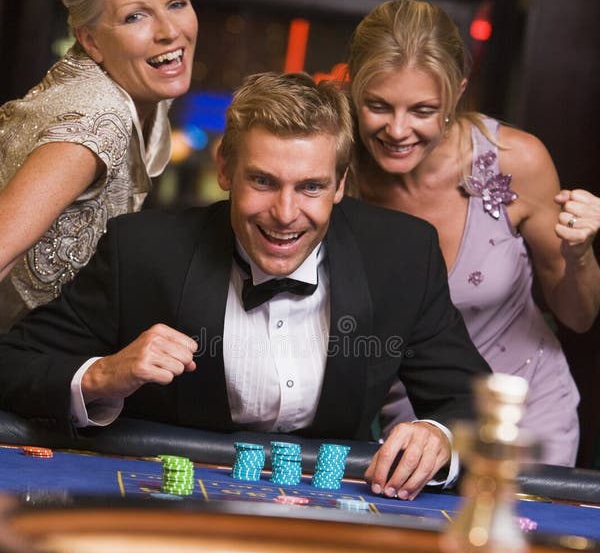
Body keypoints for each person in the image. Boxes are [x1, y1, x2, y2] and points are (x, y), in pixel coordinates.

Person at [0, 71, 490, 500]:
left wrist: (440, 436)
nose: (285, 213)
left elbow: (473, 401)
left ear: (340, 184)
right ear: (225, 169)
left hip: (329, 519)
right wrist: (104, 375)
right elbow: (13, 362)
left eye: (311, 187)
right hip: (173, 514)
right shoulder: (145, 252)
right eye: (263, 181)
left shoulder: (402, 256)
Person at [346, 0, 600, 466]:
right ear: (353, 88)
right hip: (416, 426)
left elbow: (578, 316)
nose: (398, 130)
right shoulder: (338, 176)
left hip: (525, 415)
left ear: (456, 93)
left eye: (423, 110)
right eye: (378, 106)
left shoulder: (517, 161)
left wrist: (580, 253)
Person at [0, 0, 198, 333]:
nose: (169, 31)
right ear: (90, 40)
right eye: (135, 16)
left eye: (176, 3)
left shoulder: (136, 84)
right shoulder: (97, 116)